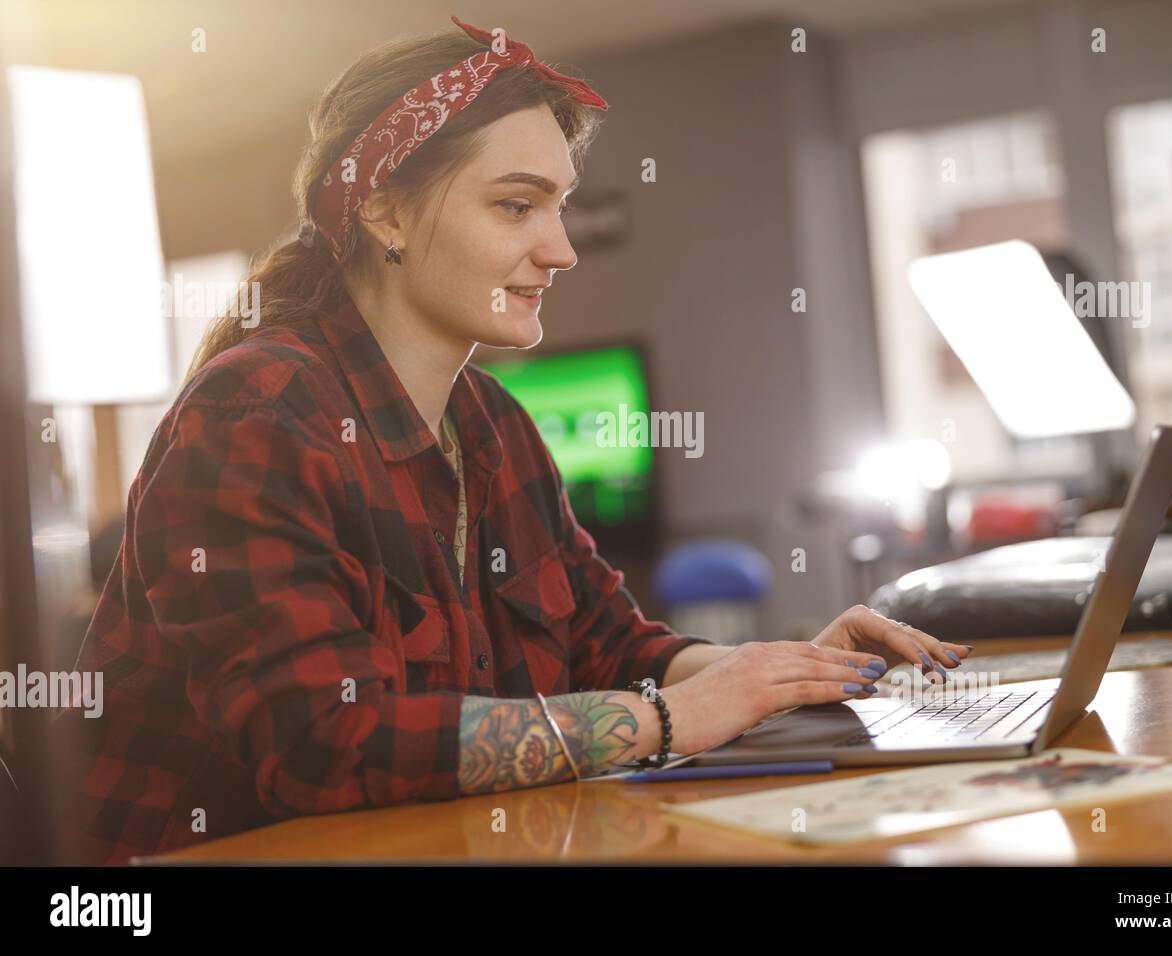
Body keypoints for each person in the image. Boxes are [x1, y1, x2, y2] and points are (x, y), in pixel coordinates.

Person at [61, 15, 972, 865]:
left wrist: (780, 672)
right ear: (383, 211)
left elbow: (613, 647)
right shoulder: (257, 410)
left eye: (560, 206)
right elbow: (324, 747)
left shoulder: (493, 424)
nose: (562, 249)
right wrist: (668, 720)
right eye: (515, 206)